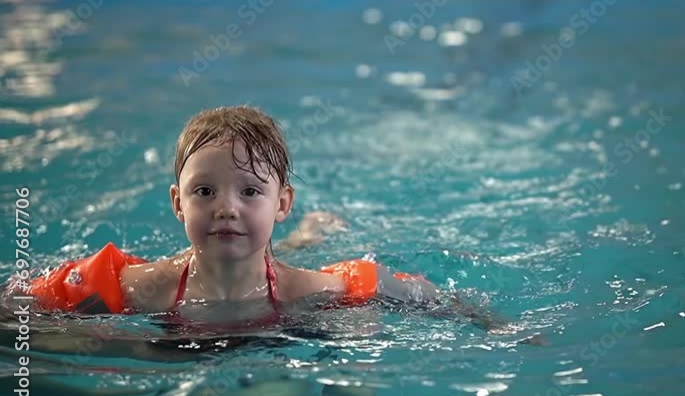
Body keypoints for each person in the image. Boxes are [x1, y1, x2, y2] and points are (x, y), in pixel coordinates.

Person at [20, 105, 442, 325]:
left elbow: (428, 299)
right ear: (177, 203)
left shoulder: (319, 290)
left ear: (282, 205)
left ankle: (308, 235)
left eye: (251, 191)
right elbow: (16, 313)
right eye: (204, 191)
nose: (226, 208)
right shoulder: (133, 290)